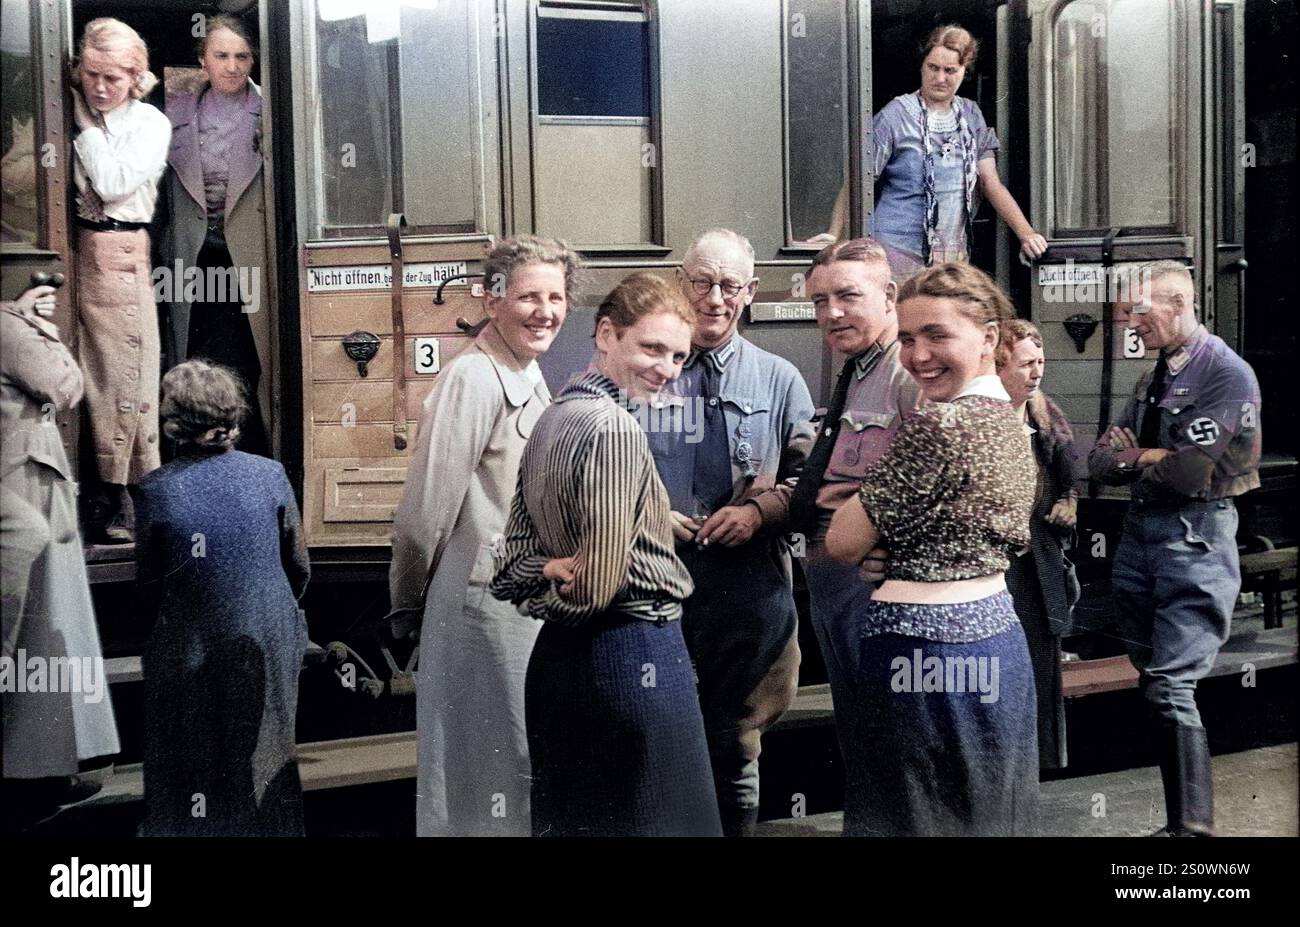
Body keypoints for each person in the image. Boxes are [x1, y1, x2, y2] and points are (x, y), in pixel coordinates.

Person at [490, 273, 722, 837]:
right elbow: (595, 588)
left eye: (676, 356)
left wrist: (539, 586)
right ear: (605, 333)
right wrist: (556, 599)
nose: (665, 369)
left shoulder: (550, 417)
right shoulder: (614, 427)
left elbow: (508, 567)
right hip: (633, 654)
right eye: (651, 348)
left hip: (559, 669)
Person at [826, 262, 1037, 836]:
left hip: (920, 651)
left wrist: (876, 536)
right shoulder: (1012, 419)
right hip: (996, 638)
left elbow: (843, 540)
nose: (918, 356)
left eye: (938, 335)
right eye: (909, 339)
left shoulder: (939, 423)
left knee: (915, 817)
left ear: (990, 336)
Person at [388, 235, 579, 837]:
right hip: (480, 609)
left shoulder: (528, 372)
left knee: (508, 766)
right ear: (491, 300)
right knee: (480, 774)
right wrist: (407, 604)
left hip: (517, 607)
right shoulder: (474, 377)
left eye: (555, 297)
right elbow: (426, 510)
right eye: (527, 297)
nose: (544, 311)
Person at [642, 228, 814, 837]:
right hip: (657, 583)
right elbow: (607, 466)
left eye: (730, 284)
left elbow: (809, 482)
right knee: (656, 733)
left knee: (736, 742)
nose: (714, 298)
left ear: (751, 290)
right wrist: (652, 513)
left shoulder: (779, 378)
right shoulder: (649, 369)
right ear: (680, 282)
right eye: (701, 281)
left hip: (747, 593)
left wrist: (759, 513)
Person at [1088, 261, 1261, 836]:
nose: (1131, 321)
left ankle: (1193, 831)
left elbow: (1189, 475)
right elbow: (1100, 461)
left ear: (1179, 303)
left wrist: (1139, 456)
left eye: (1141, 309)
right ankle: (1183, 826)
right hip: (1143, 539)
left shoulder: (1225, 374)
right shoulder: (1156, 374)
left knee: (1169, 683)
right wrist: (1144, 458)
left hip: (1195, 539)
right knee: (1153, 679)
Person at [758, 237, 920, 827]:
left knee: (890, 733)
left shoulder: (906, 372)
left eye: (847, 297)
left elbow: (936, 478)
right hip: (836, 580)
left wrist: (897, 553)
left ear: (889, 295)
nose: (830, 314)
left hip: (872, 585)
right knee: (862, 730)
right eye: (820, 300)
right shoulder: (858, 369)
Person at [136, 360, 310, 836]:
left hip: (191, 645)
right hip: (267, 636)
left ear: (174, 424)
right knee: (266, 759)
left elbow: (148, 582)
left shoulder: (156, 489)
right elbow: (298, 567)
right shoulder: (270, 474)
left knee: (188, 767)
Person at [2, 284, 120, 824]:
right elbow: (66, 385)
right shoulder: (9, 329)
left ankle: (41, 773)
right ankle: (32, 780)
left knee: (41, 641)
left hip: (27, 481)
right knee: (43, 635)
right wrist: (48, 334)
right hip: (28, 487)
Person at [69, 17, 171, 543]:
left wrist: (85, 127)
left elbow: (110, 186)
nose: (102, 87)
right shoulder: (66, 110)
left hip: (120, 247)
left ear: (136, 77)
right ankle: (93, 494)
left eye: (114, 77)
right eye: (91, 75)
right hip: (76, 248)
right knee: (81, 372)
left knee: (119, 376)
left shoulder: (150, 123)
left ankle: (125, 500)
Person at [157, 15, 270, 455]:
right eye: (221, 55)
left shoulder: (271, 110)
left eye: (242, 56)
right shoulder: (175, 114)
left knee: (247, 357)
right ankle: (192, 454)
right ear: (202, 59)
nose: (232, 66)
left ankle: (248, 457)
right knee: (194, 354)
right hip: (194, 254)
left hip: (248, 255)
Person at [866, 25, 1046, 280]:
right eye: (933, 67)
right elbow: (859, 182)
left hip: (950, 253)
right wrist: (834, 235)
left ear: (965, 71)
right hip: (895, 251)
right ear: (922, 66)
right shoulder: (895, 115)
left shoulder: (971, 115)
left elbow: (990, 183)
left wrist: (1026, 234)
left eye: (950, 70)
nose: (940, 78)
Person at [996, 318, 1080, 770]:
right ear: (999, 365)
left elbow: (1070, 485)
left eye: (1041, 362)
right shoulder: (983, 417)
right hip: (996, 571)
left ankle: (1033, 769)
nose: (1037, 372)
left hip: (1036, 573)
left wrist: (1068, 505)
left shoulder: (1046, 416)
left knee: (1037, 672)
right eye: (1027, 363)